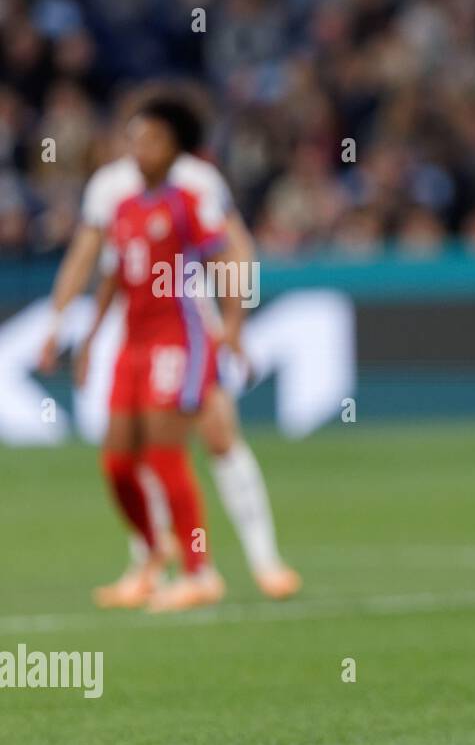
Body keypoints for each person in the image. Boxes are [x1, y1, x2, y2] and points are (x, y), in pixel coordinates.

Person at [40, 90, 301, 604]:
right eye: (134, 133)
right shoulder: (112, 188)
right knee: (131, 456)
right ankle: (153, 561)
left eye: (152, 134)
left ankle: (260, 561)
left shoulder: (196, 183)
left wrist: (237, 323)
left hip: (189, 331)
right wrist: (64, 324)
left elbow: (235, 250)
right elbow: (94, 260)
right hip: (135, 333)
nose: (140, 144)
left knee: (213, 437)